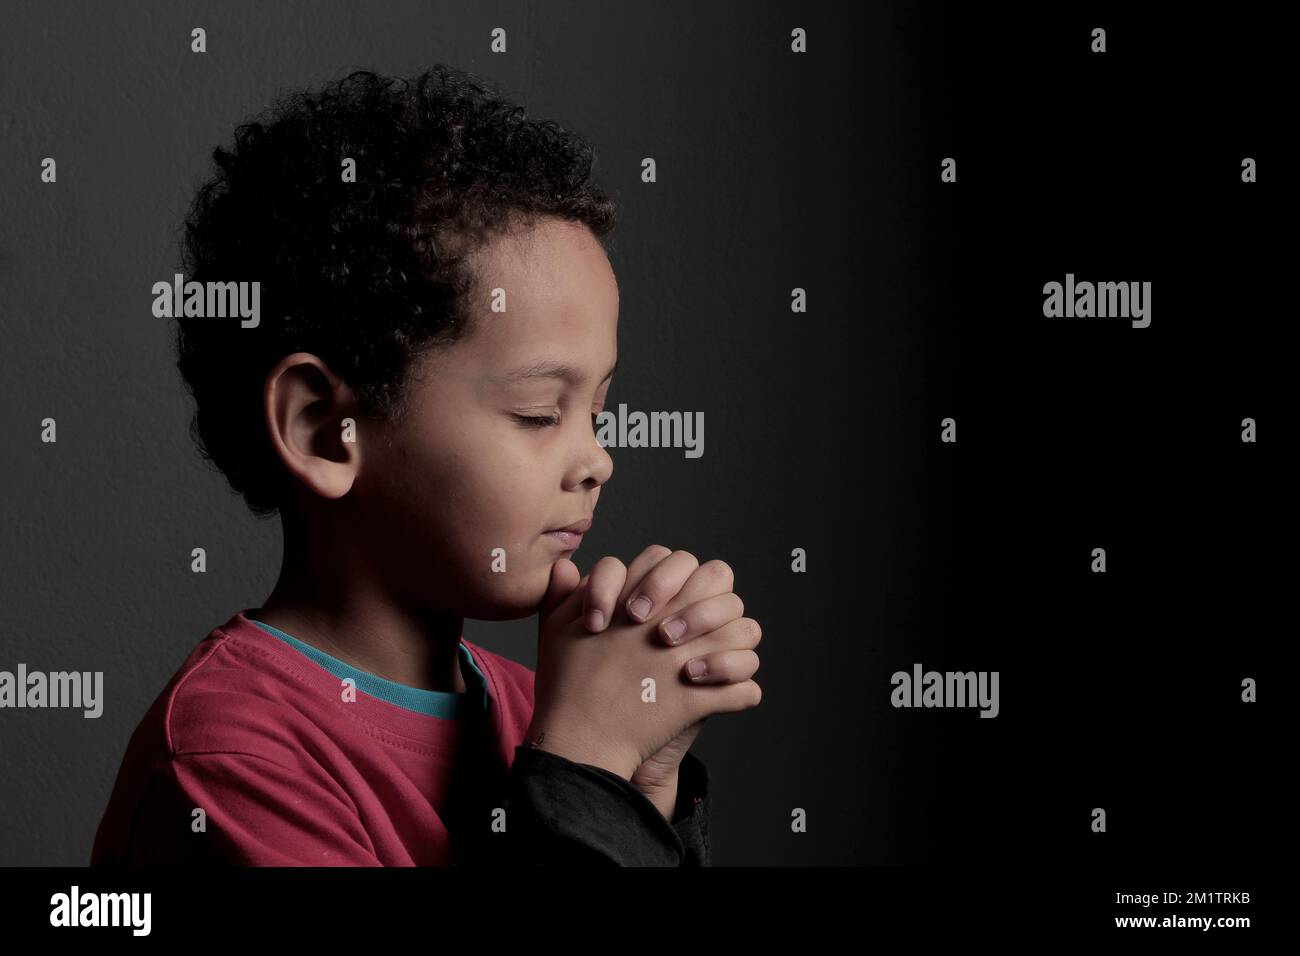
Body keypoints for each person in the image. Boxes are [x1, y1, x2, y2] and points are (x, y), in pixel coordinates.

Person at [90, 66, 762, 866]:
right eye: (540, 414)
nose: (597, 459)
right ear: (322, 428)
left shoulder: (539, 710)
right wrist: (584, 777)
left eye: (599, 412)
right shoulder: (232, 763)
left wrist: (640, 787)